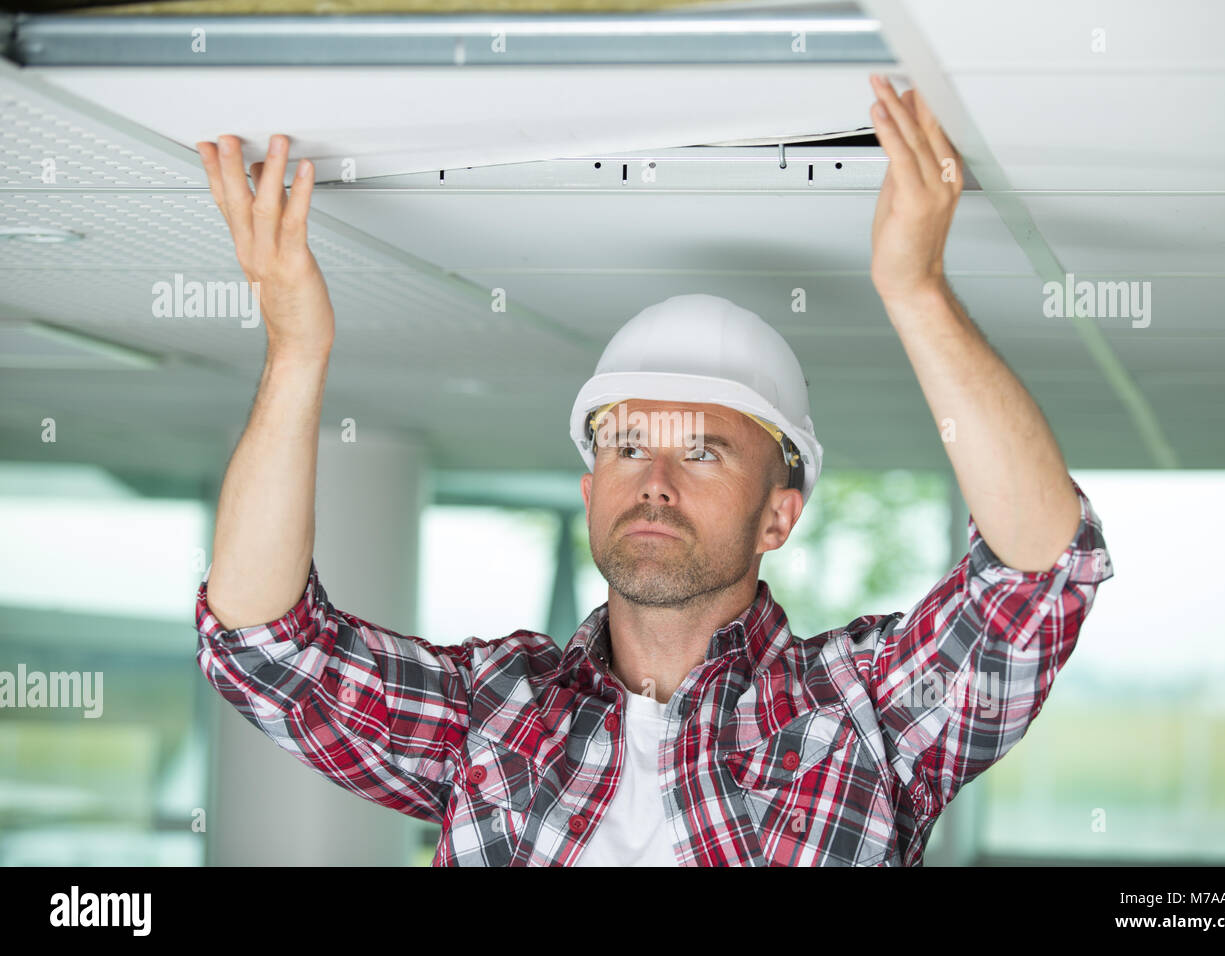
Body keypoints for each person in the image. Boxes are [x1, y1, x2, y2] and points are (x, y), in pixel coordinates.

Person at [193, 75, 1113, 866]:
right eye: (628, 446)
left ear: (777, 518)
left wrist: (916, 288)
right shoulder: (495, 715)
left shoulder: (863, 714)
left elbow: (1036, 577)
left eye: (702, 451)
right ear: (591, 491)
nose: (655, 481)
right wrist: (296, 351)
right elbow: (265, 646)